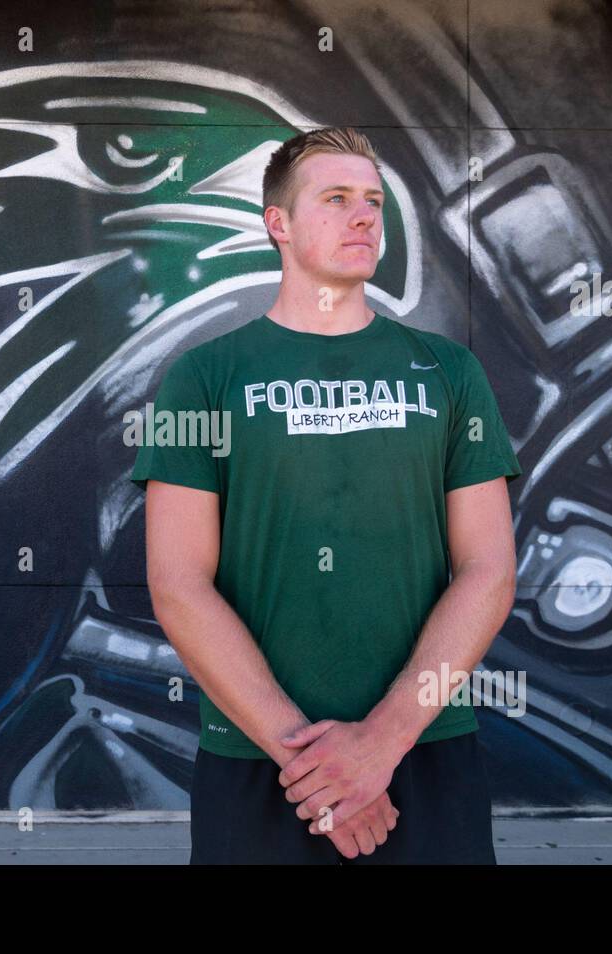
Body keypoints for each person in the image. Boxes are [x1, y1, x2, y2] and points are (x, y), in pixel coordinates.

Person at [130, 126, 523, 864]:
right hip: (257, 757)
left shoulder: (449, 372)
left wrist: (381, 744)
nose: (365, 216)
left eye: (373, 201)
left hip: (425, 752)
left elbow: (489, 571)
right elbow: (178, 583)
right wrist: (318, 769)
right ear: (277, 223)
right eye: (336, 198)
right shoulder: (206, 377)